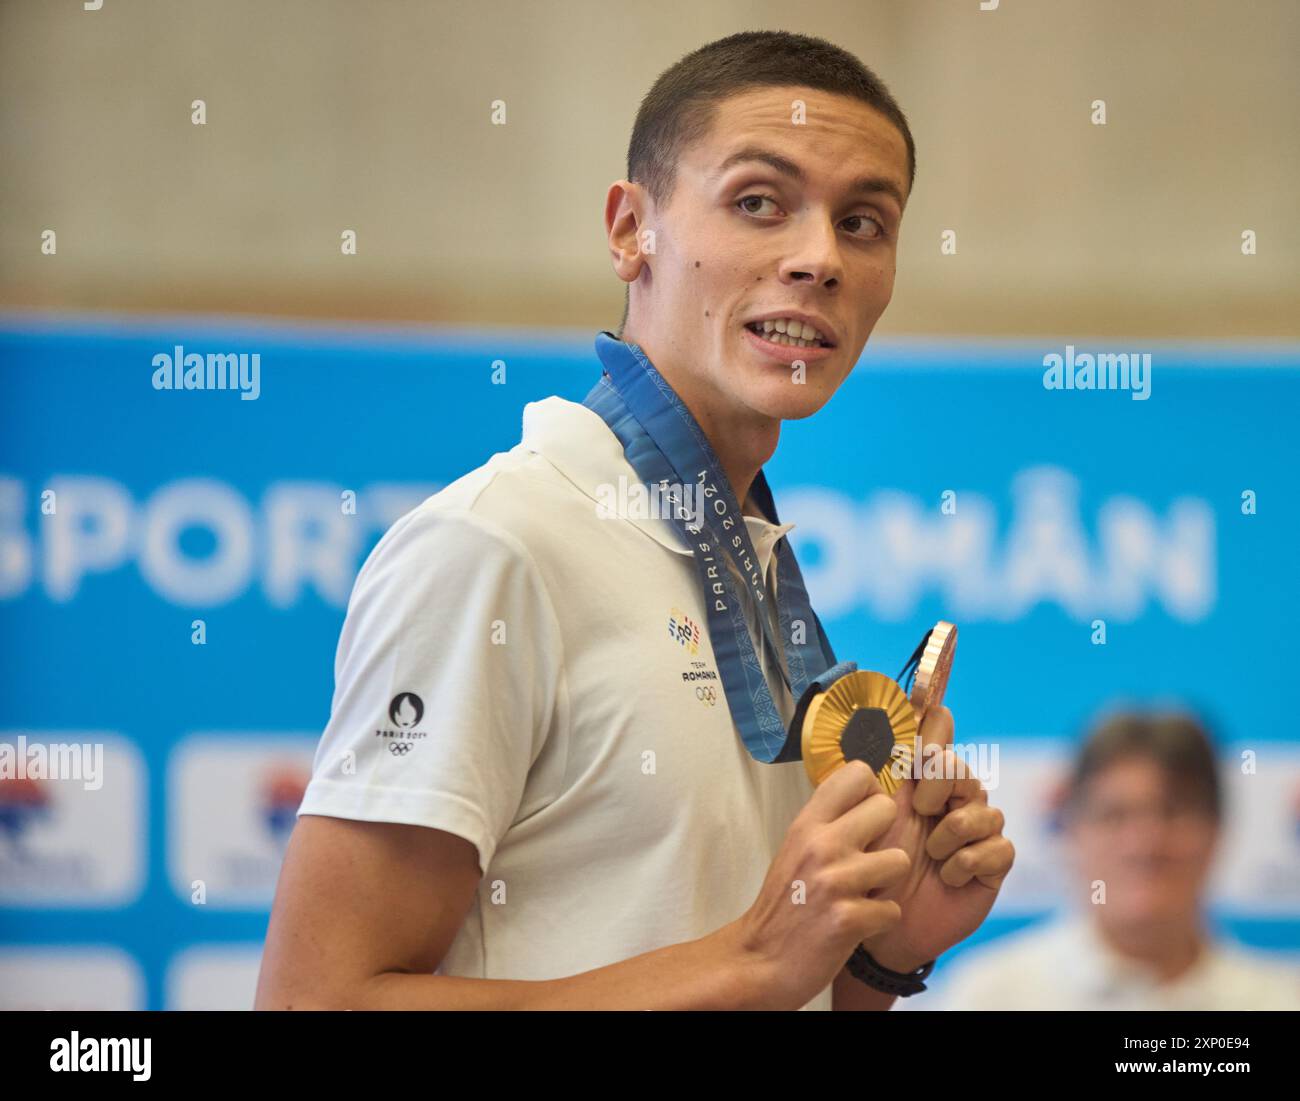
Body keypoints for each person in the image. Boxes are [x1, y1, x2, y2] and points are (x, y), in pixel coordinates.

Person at [255, 29, 1014, 1012]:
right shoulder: (498, 545)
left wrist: (874, 961)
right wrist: (749, 956)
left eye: (864, 223)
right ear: (630, 230)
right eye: (758, 202)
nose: (819, 258)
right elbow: (312, 1005)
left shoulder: (745, 564)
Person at [936, 710, 1300, 1010]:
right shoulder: (987, 997)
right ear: (1070, 830)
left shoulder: (1283, 1000)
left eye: (1173, 812)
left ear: (1218, 827)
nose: (1144, 844)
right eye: (1114, 815)